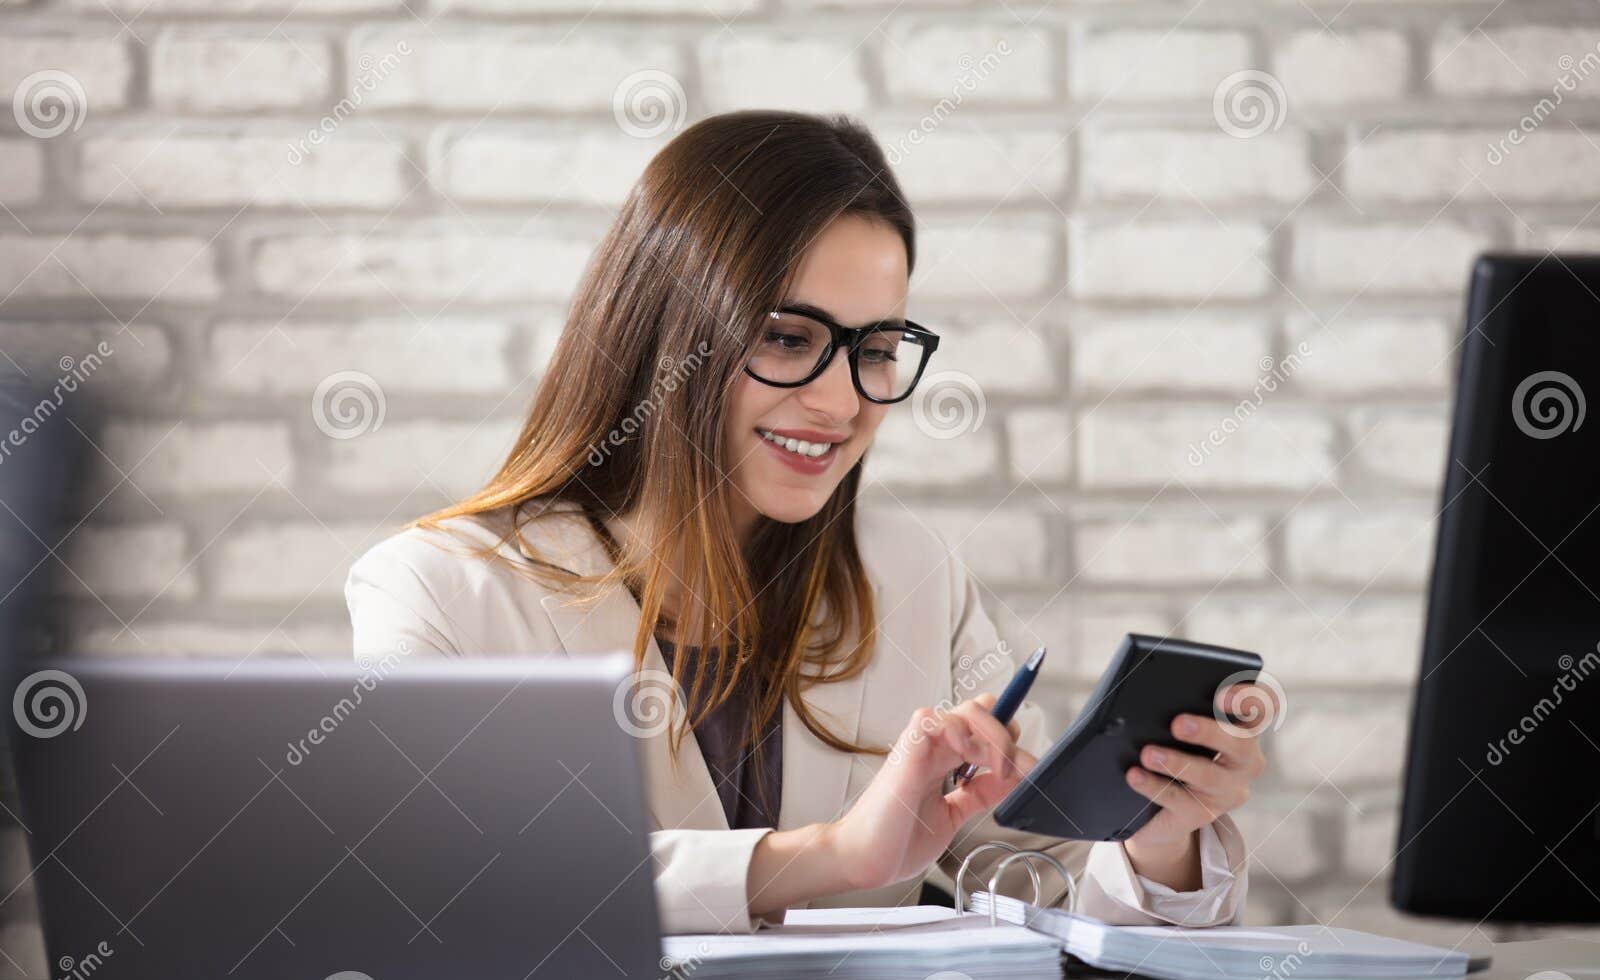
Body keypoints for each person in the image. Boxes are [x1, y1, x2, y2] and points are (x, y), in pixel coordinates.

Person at [346, 110, 1270, 936]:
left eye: (875, 350)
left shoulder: (913, 576)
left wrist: (1158, 833)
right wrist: (834, 855)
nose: (841, 400)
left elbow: (1035, 881)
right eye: (788, 338)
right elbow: (445, 890)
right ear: (667, 334)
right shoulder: (438, 590)